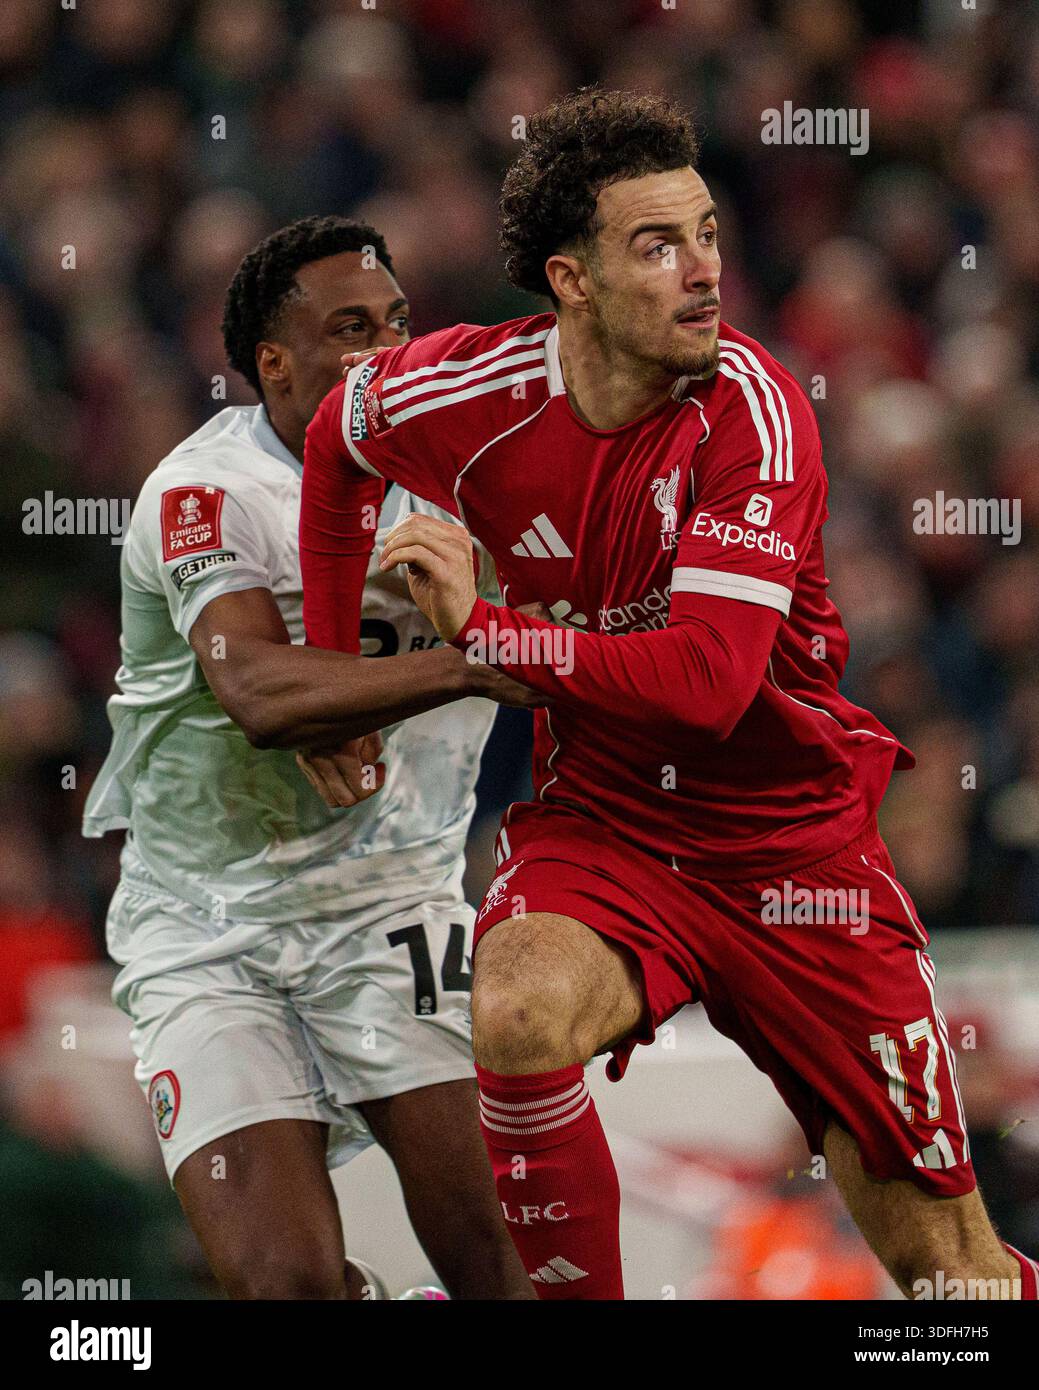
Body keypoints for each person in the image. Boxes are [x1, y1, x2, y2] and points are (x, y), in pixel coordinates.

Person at [300, 91, 1039, 1301]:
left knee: (953, 1280)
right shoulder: (464, 395)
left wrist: (487, 635)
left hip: (795, 852)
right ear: (570, 280)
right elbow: (337, 439)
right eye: (657, 245)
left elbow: (703, 683)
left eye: (706, 234)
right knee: (519, 1014)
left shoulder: (753, 410)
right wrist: (338, 683)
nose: (702, 272)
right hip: (612, 828)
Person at [83, 216, 536, 1300]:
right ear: (271, 363)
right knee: (283, 1285)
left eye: (395, 324)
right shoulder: (203, 494)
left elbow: (592, 617)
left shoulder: (470, 475)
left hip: (395, 902)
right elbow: (258, 691)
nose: (384, 352)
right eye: (348, 329)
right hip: (205, 923)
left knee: (498, 1259)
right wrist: (474, 659)